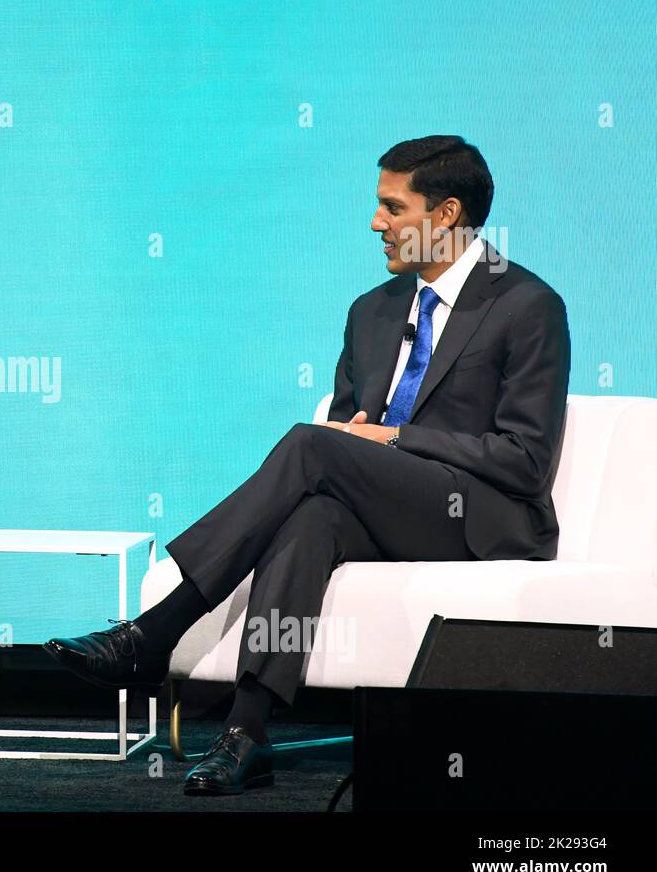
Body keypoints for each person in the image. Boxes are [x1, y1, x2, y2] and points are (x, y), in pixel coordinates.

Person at [44, 136, 570, 795]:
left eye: (392, 207)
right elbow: (348, 437)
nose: (376, 223)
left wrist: (395, 439)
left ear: (445, 214)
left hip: (478, 517)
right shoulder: (371, 312)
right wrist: (368, 442)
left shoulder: (525, 305)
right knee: (313, 514)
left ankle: (158, 630)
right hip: (383, 507)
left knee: (310, 443)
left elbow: (525, 459)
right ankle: (247, 732)